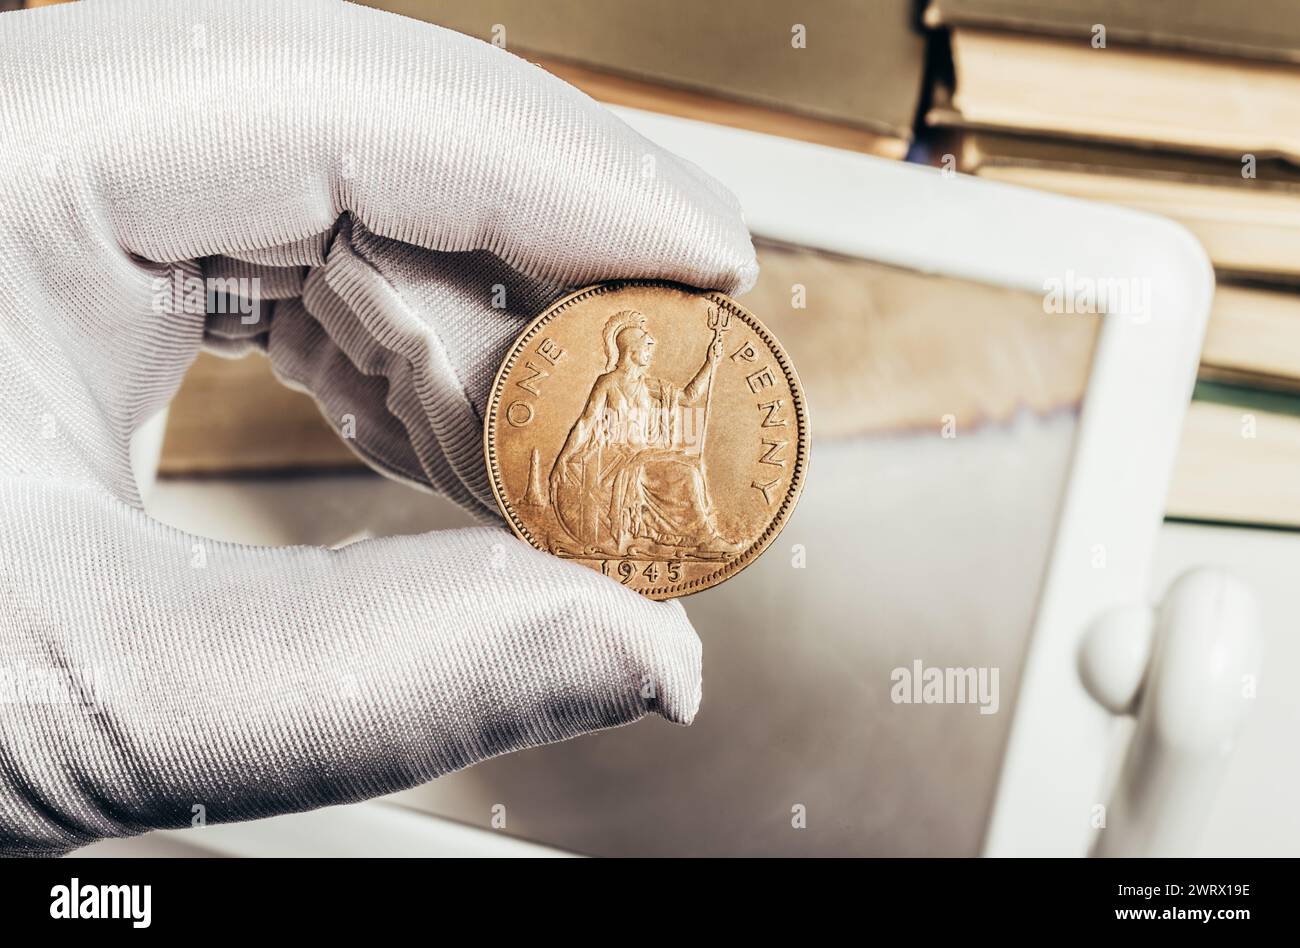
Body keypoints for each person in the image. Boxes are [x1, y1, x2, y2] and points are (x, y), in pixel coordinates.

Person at [0, 0, 755, 855]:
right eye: (639, 339)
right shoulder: (613, 389)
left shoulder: (641, 390)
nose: (644, 345)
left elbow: (668, 424)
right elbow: (590, 446)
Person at [550, 310, 740, 558]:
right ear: (631, 351)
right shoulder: (607, 383)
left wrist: (710, 363)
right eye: (647, 347)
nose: (651, 352)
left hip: (645, 455)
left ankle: (694, 536)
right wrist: (563, 457)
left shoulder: (648, 385)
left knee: (690, 466)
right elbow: (586, 422)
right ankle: (703, 539)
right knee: (685, 472)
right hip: (620, 459)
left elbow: (688, 397)